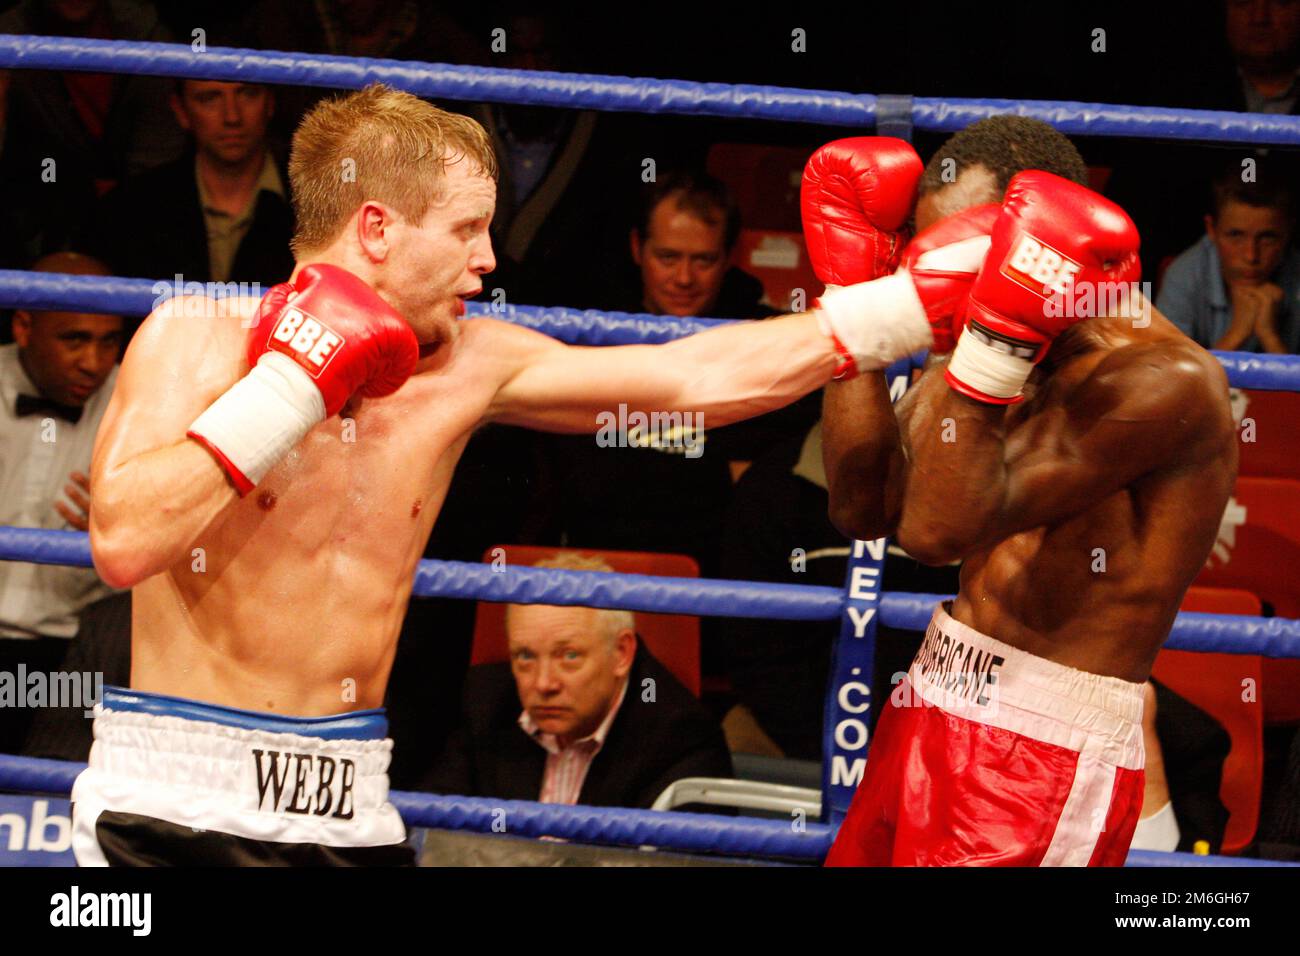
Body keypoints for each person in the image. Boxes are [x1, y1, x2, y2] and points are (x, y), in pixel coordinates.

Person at [75, 83, 908, 866]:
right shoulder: (197, 338)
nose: (488, 259)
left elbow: (692, 381)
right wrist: (293, 383)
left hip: (344, 799)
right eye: (467, 228)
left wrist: (895, 307)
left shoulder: (472, 365)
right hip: (171, 795)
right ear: (377, 228)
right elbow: (123, 539)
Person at [811, 129, 1236, 866]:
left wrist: (992, 344)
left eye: (969, 246)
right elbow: (862, 510)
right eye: (930, 245)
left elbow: (938, 532)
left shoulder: (1165, 380)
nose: (943, 272)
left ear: (1032, 243)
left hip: (1040, 752)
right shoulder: (980, 337)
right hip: (930, 695)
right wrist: (855, 308)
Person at [422, 553, 730, 808]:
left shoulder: (680, 736)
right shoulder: (487, 701)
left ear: (621, 653)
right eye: (526, 657)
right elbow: (431, 826)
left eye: (569, 656)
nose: (544, 684)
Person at [0, 252, 123, 754]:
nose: (93, 363)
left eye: (109, 341)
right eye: (74, 339)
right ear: (25, 326)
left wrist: (131, 521)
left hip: (77, 651)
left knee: (54, 801)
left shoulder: (139, 398)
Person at [87, 78, 294, 287]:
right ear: (181, 110)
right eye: (209, 98)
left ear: (270, 102)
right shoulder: (128, 208)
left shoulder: (316, 202)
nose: (232, 116)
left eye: (248, 94)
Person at [1157, 159, 1300, 354]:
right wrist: (1237, 334)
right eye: (1235, 235)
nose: (1251, 256)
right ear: (1211, 230)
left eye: (1267, 238)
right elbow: (1169, 377)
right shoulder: (1183, 276)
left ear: (1288, 232)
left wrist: (1269, 336)